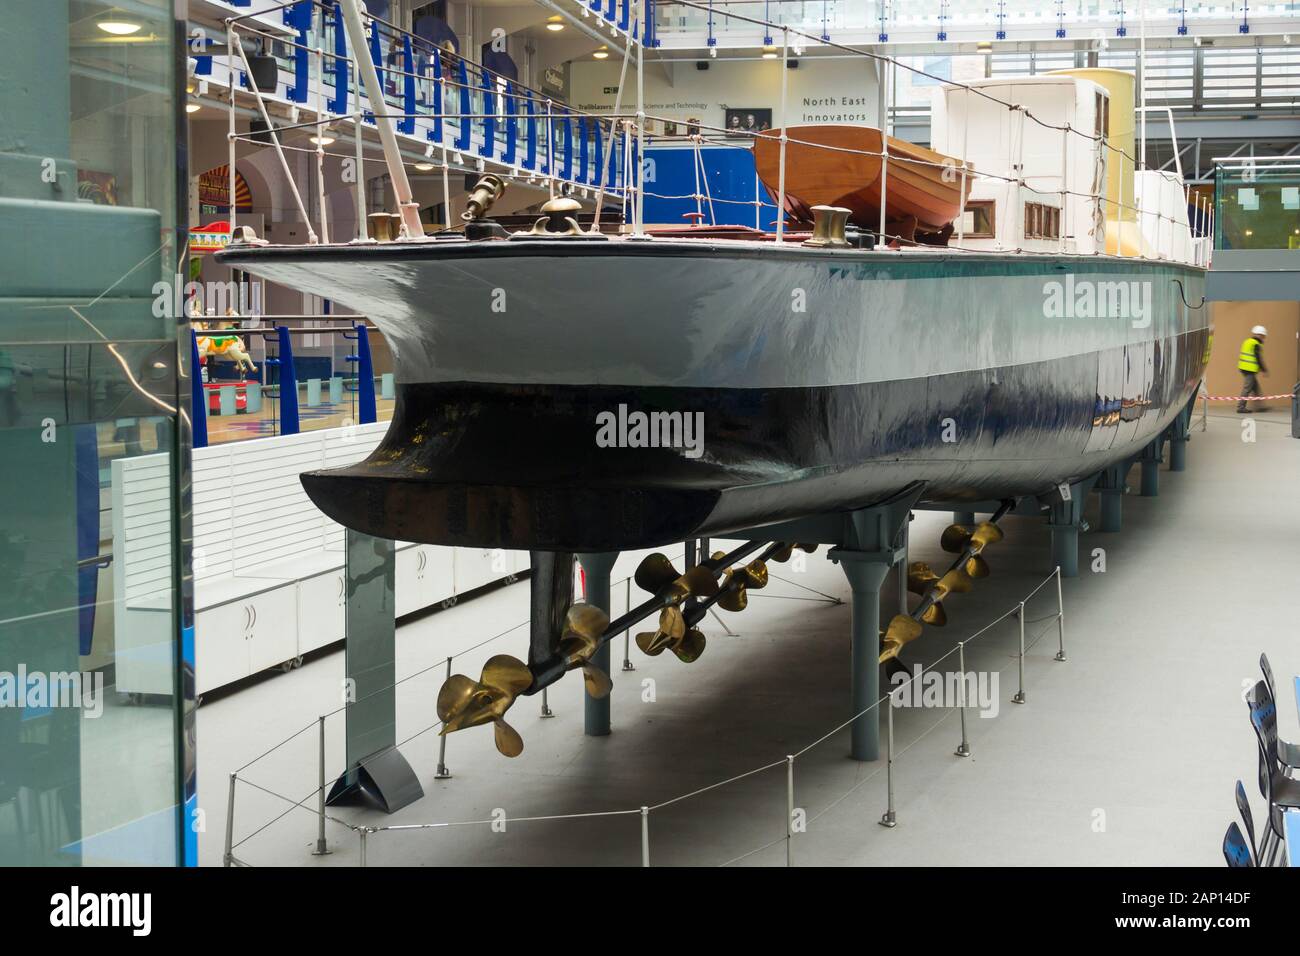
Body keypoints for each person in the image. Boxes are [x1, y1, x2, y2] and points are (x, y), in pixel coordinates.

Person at [1236, 325, 1268, 413]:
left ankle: (1260, 406)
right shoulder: (1255, 344)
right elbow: (1258, 358)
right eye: (1263, 336)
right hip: (1249, 369)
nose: (1263, 338)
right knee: (1247, 388)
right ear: (1260, 335)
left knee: (1256, 387)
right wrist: (1264, 369)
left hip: (1244, 368)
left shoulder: (1247, 341)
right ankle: (1240, 407)